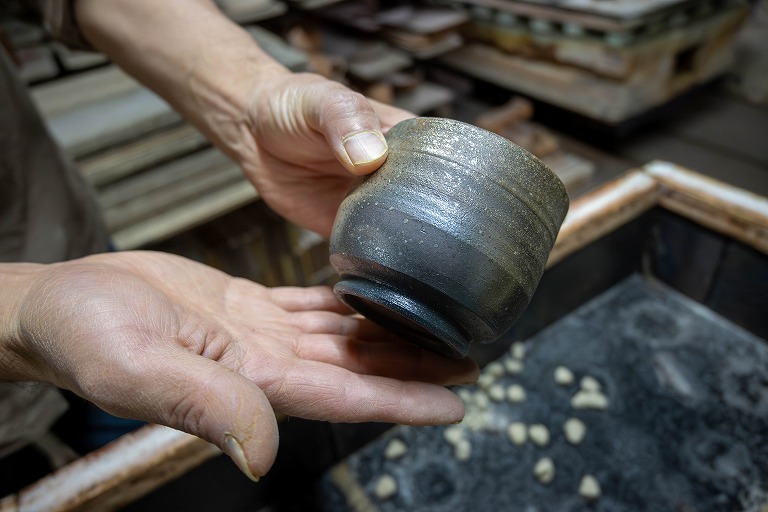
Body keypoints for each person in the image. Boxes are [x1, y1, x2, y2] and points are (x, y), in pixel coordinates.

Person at [0, 0, 478, 484]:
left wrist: (251, 100)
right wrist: (19, 311)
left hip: (67, 247)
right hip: (27, 366)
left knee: (132, 435)